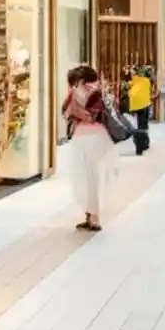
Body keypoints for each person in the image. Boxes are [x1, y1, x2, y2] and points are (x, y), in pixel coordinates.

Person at [61, 65, 117, 232]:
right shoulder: (101, 92)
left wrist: (75, 110)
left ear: (80, 80)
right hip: (99, 138)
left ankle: (93, 217)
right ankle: (91, 214)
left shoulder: (82, 92)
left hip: (84, 138)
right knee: (94, 176)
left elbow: (67, 112)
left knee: (86, 177)